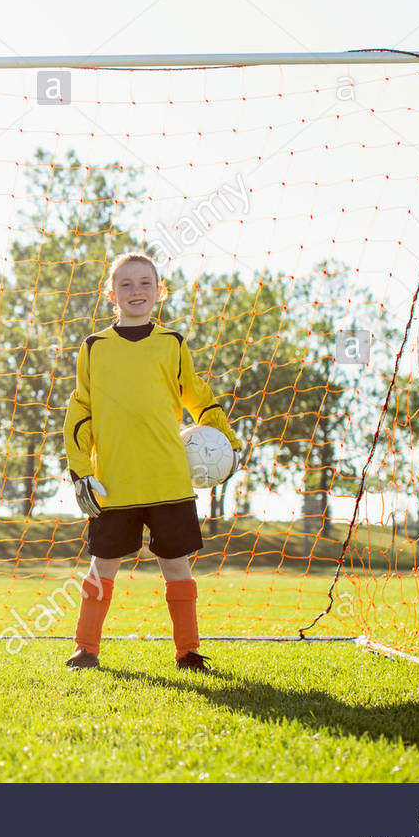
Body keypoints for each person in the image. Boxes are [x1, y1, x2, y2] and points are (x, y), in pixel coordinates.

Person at [62, 252, 244, 672]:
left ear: (160, 292)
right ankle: (85, 648)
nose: (136, 291)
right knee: (100, 566)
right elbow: (80, 411)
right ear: (111, 294)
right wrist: (80, 472)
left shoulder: (172, 343)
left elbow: (197, 395)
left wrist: (230, 441)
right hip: (114, 482)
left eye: (145, 283)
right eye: (125, 284)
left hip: (168, 479)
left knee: (176, 567)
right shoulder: (93, 347)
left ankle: (189, 651)